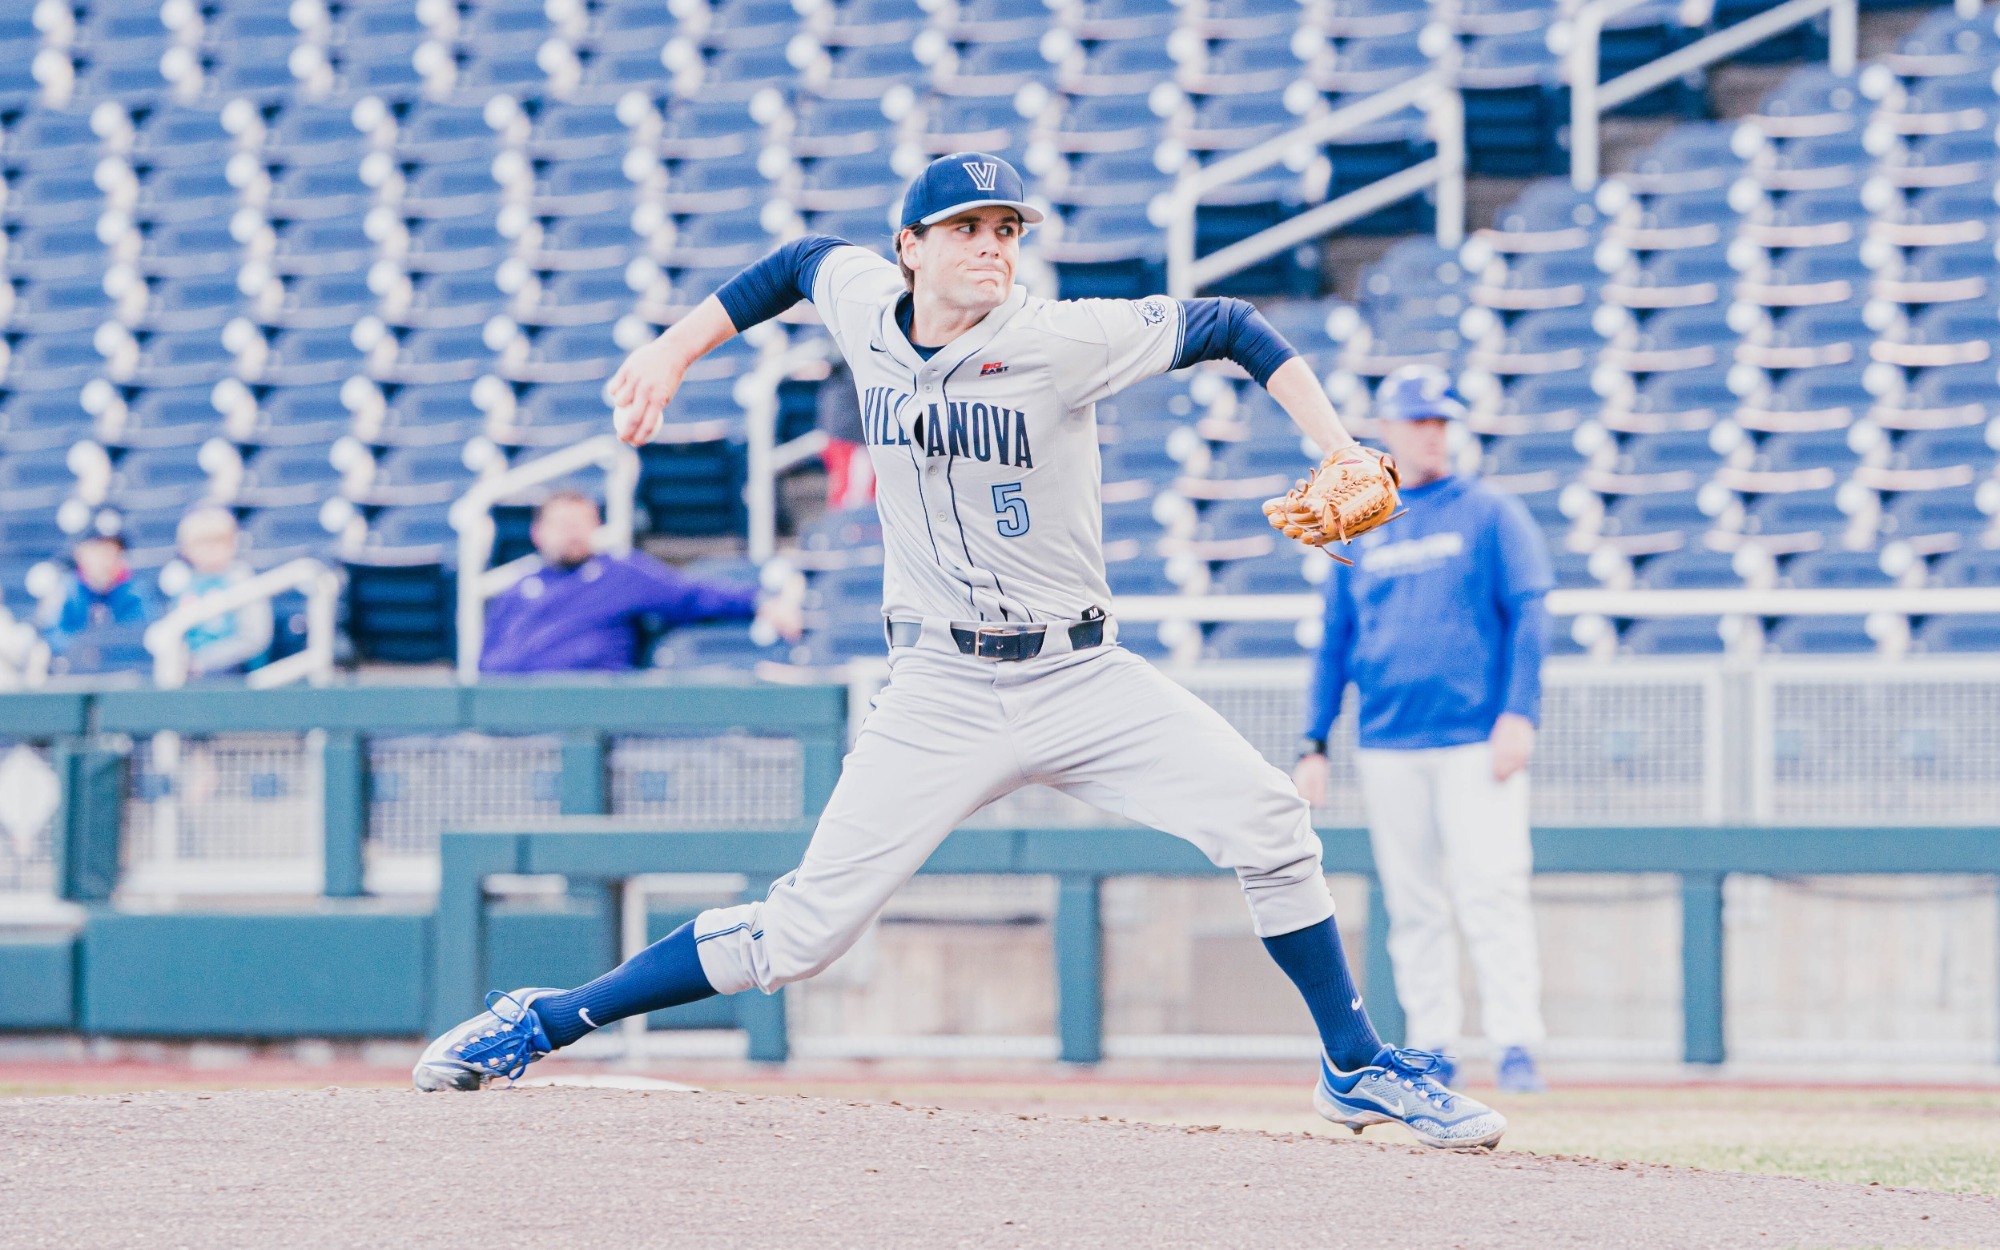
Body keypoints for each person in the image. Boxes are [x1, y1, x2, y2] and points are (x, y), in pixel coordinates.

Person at [415, 152, 1505, 1150]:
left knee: (1270, 821)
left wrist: (1338, 446)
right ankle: (543, 1017)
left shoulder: (1058, 338)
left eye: (1006, 227)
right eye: (964, 225)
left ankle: (1354, 1064)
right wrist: (672, 345)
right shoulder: (862, 302)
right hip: (937, 684)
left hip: (1078, 672)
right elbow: (794, 264)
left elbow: (1228, 322)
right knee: (799, 934)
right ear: (909, 247)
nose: (991, 244)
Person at [1292, 364, 1554, 1095]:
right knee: (1412, 904)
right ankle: (1434, 1043)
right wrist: (1314, 741)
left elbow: (1531, 614)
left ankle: (1515, 1044)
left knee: (1492, 888)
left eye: (1443, 421)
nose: (1434, 434)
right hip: (1388, 742)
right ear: (1390, 432)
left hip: (1475, 739)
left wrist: (1519, 714)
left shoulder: (1491, 513)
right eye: (1421, 422)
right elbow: (1335, 641)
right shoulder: (1365, 521)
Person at [480, 490, 803, 673]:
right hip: (510, 715)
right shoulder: (517, 589)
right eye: (563, 524)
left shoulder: (619, 574)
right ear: (538, 533)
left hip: (590, 712)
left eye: (582, 523)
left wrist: (760, 602)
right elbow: (487, 659)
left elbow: (690, 596)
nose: (573, 533)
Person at [167, 506, 273, 677]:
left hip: (236, 675)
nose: (210, 548)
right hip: (190, 676)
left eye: (218, 540)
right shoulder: (184, 583)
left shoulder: (241, 580)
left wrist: (204, 662)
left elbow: (254, 638)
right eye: (201, 542)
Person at [37, 532, 153, 656]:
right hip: (72, 669)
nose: (104, 561)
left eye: (111, 553)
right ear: (80, 553)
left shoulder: (135, 592)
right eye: (97, 552)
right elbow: (51, 636)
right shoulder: (66, 589)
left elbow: (143, 637)